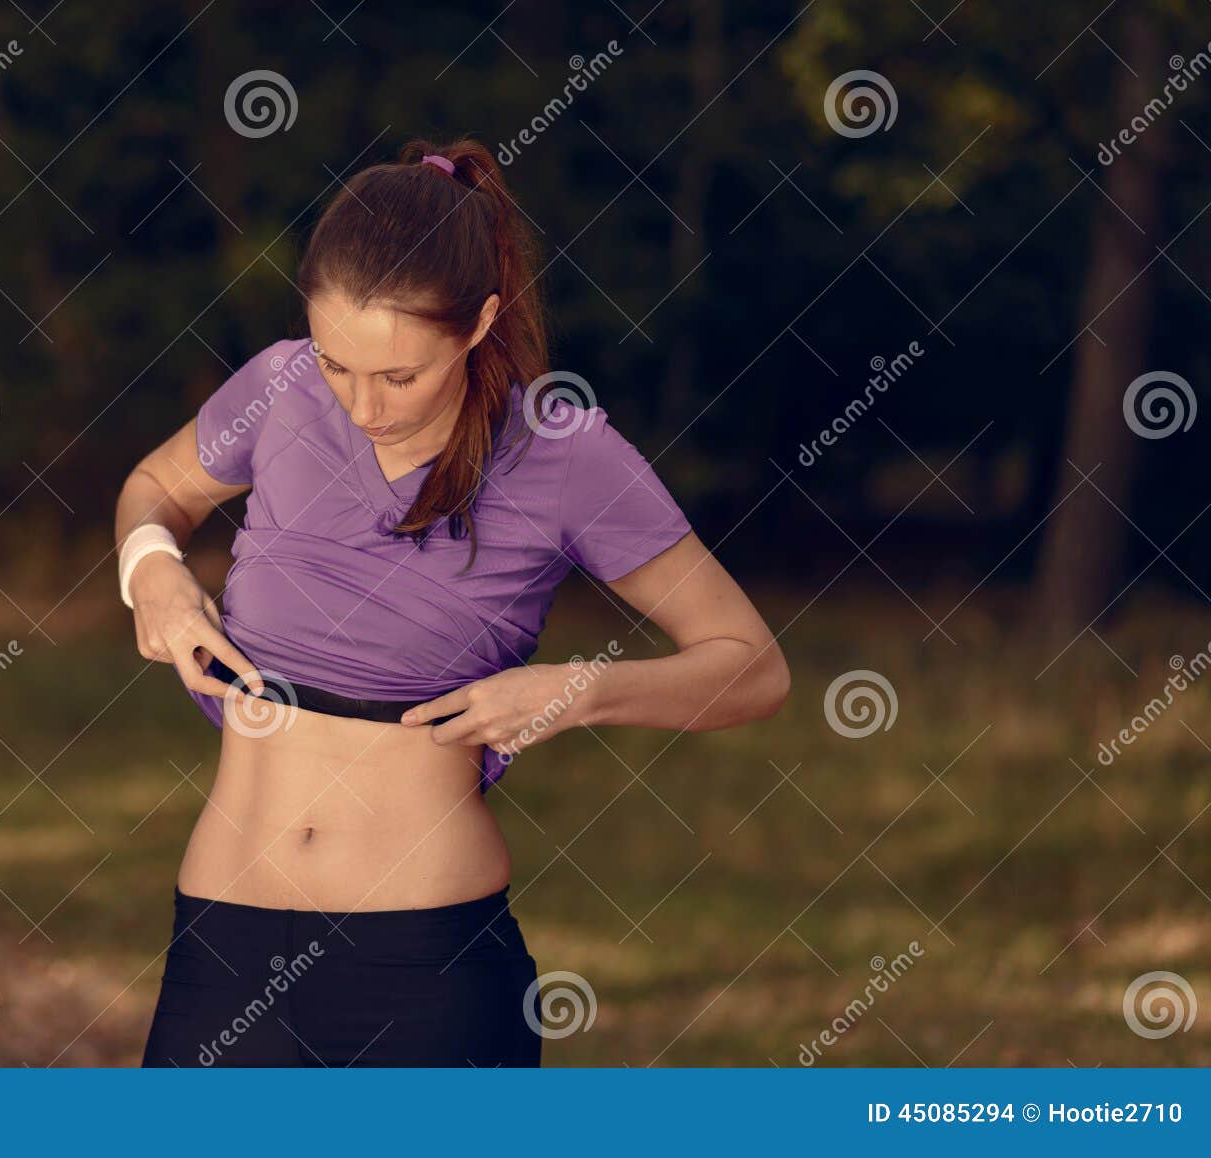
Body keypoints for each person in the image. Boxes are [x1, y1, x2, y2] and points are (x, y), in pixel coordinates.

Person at [115, 137, 790, 1067]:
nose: (362, 404)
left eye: (400, 376)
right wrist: (151, 568)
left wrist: (573, 691)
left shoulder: (564, 452)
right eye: (337, 363)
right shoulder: (278, 386)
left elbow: (751, 667)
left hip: (425, 967)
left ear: (478, 325)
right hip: (224, 949)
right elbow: (160, 484)